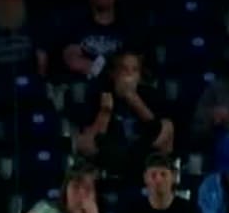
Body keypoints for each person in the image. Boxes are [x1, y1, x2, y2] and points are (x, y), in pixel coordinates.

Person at [71, 49, 174, 183]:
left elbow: (160, 135)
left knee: (168, 126)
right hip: (107, 162)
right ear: (113, 74)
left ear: (139, 76)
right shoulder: (99, 94)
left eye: (134, 70)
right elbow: (87, 145)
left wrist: (134, 100)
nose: (129, 75)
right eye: (124, 69)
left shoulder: (150, 96)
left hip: (143, 162)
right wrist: (105, 112)